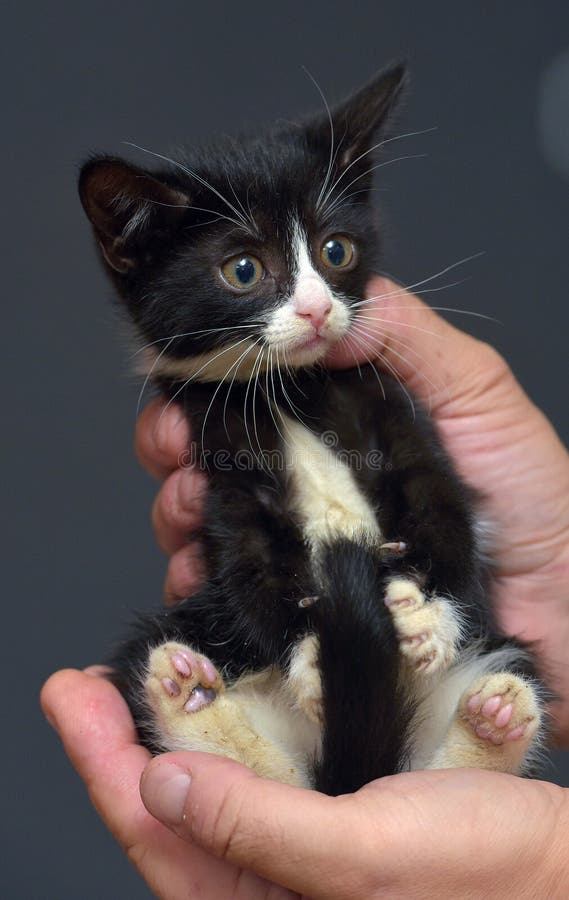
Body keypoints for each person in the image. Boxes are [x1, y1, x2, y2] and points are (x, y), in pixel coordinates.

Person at [41, 276, 569, 899]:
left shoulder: (372, 384)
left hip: (420, 678)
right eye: (245, 271)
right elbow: (246, 559)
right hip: (298, 695)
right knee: (177, 642)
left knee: (489, 663)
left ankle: (458, 758)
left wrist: (445, 602)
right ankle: (256, 759)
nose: (315, 300)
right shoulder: (214, 412)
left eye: (332, 254)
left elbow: (440, 514)